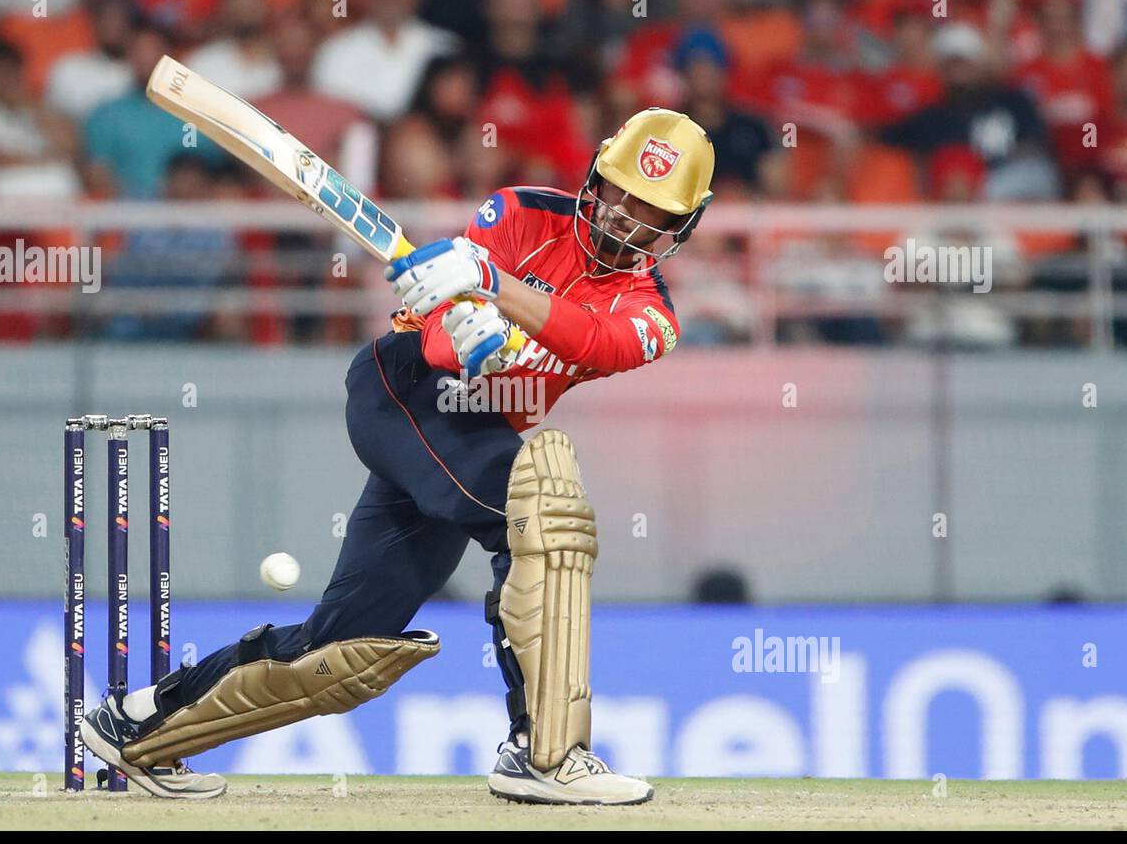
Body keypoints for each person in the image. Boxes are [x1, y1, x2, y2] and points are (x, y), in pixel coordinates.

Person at [80, 108, 715, 805]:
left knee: (338, 655)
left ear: (682, 226)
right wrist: (459, 324)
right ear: (595, 173)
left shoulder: (652, 316)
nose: (624, 217)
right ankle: (544, 752)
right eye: (619, 191)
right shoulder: (516, 212)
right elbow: (440, 345)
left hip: (468, 442)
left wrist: (497, 293)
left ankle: (136, 726)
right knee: (541, 513)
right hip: (407, 393)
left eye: (650, 210)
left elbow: (594, 342)